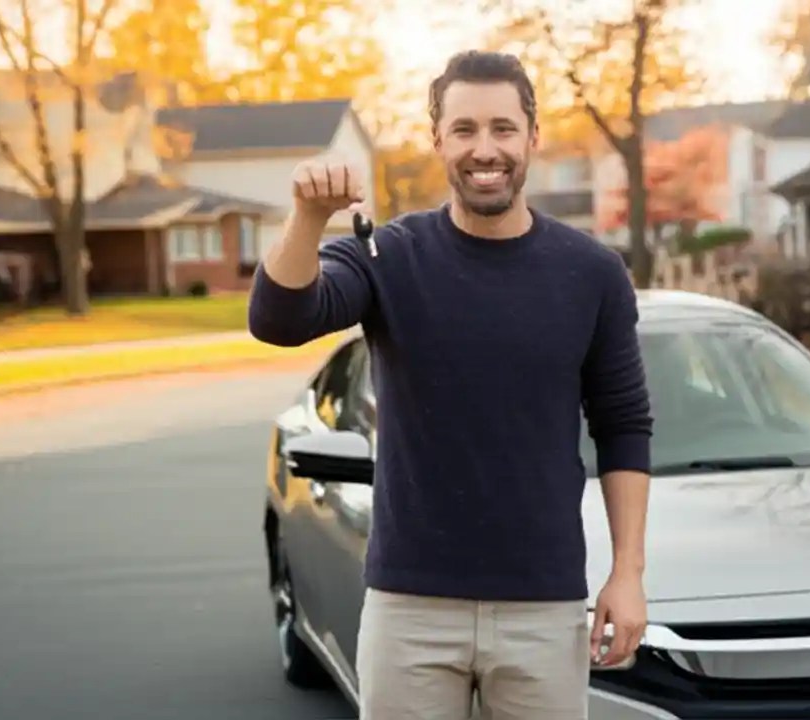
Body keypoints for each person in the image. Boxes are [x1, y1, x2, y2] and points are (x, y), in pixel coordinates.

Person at [247, 49, 653, 719]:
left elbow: (624, 426)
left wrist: (627, 573)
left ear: (533, 137)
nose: (484, 149)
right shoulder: (387, 255)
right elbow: (278, 320)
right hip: (410, 608)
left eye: (502, 128)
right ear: (437, 140)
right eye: (464, 129)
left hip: (543, 606)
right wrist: (308, 217)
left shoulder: (592, 273)